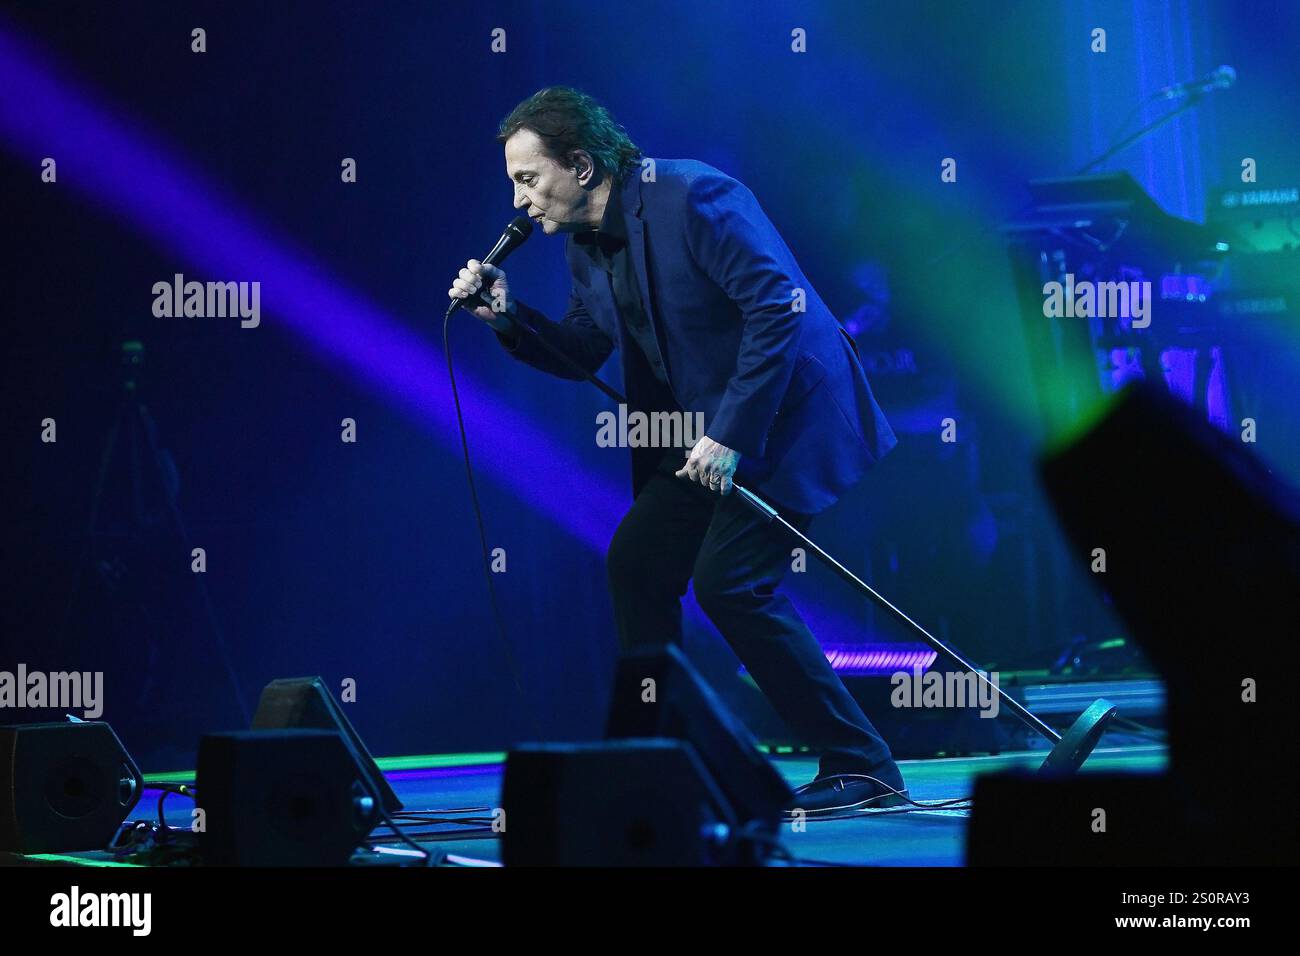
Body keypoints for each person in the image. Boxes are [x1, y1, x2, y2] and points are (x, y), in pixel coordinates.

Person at [448, 86, 906, 812]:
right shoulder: (587, 250)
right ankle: (660, 762)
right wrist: (509, 318)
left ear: (582, 166)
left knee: (731, 582)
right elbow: (580, 353)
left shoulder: (691, 194)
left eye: (528, 179)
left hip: (785, 413)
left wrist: (729, 435)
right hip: (706, 431)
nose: (518, 199)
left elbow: (775, 309)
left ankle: (865, 763)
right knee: (637, 564)